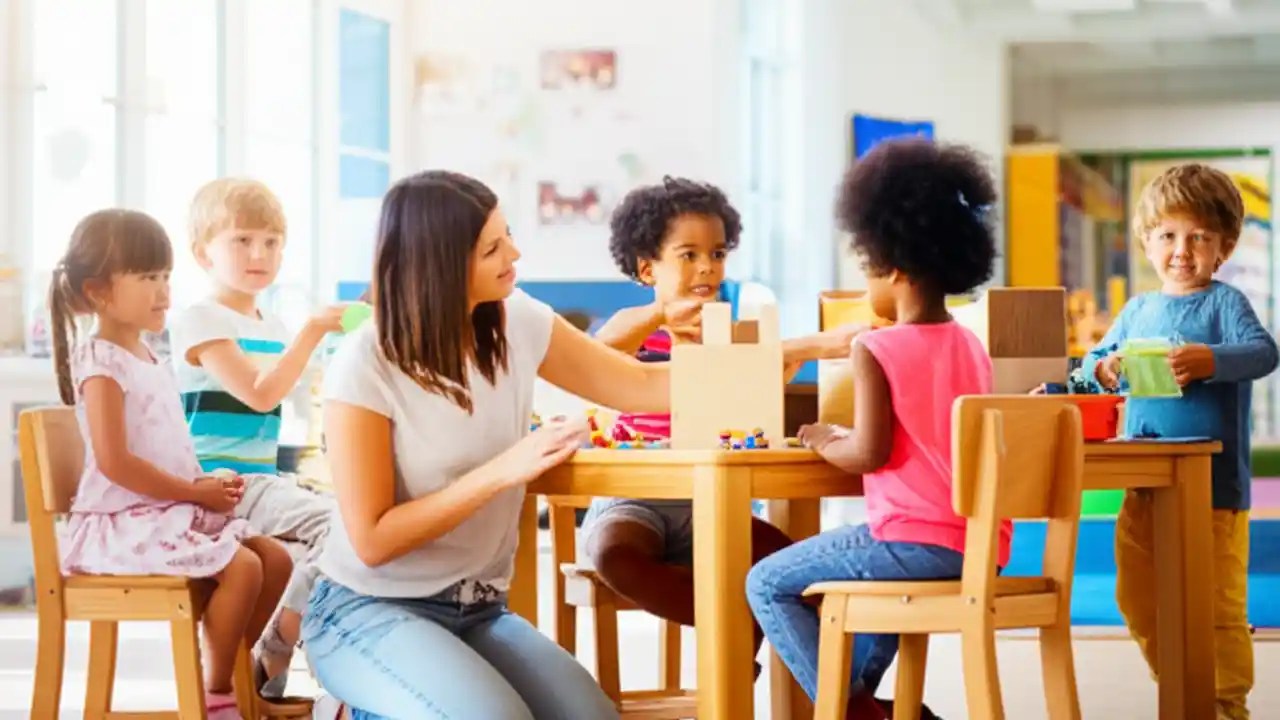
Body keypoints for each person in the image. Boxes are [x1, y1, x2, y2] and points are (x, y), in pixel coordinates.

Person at [302, 170, 686, 719]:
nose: (515, 253)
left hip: (477, 611)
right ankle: (353, 708)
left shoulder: (516, 319)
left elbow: (641, 386)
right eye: (493, 248)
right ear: (441, 263)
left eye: (507, 236)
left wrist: (795, 353)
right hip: (367, 609)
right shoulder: (364, 363)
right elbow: (373, 540)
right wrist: (506, 468)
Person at [745, 139, 1000, 720]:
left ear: (895, 268)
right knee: (871, 603)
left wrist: (820, 436)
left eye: (867, 275)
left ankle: (855, 712)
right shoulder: (971, 343)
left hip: (910, 542)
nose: (866, 292)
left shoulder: (875, 346)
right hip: (977, 547)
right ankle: (870, 705)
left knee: (765, 583)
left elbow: (867, 452)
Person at [581, 176, 862, 678]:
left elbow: (758, 386)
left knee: (787, 565)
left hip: (713, 502)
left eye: (716, 254)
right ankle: (732, 649)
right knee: (613, 553)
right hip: (635, 497)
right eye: (687, 255)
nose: (706, 267)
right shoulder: (636, 324)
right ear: (648, 268)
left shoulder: (733, 337)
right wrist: (661, 315)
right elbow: (598, 356)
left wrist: (784, 357)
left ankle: (772, 675)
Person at [50, 209, 293, 720]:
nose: (163, 290)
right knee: (243, 567)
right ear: (97, 291)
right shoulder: (100, 362)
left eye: (165, 277)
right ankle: (217, 693)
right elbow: (116, 464)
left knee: (275, 559)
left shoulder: (150, 355)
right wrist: (193, 492)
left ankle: (237, 687)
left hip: (161, 508)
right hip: (121, 523)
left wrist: (202, 482)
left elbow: (163, 447)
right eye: (146, 278)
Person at [1085, 163, 1277, 720]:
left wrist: (1211, 359)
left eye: (1199, 237)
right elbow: (1093, 362)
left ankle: (1223, 704)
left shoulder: (1225, 304)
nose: (1181, 250)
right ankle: (1185, 687)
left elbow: (1264, 353)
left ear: (1225, 246)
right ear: (1147, 240)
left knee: (1217, 605)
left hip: (1213, 492)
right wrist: (1104, 368)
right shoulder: (1138, 310)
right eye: (1168, 235)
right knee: (1137, 596)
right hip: (1144, 487)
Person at [169, 177, 345, 696]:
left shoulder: (271, 325)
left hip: (260, 479)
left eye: (271, 242)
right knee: (343, 525)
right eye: (241, 240)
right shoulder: (200, 319)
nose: (259, 254)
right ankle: (278, 645)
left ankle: (272, 662)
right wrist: (314, 331)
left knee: (349, 525)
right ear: (203, 253)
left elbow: (299, 393)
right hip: (218, 483)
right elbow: (260, 395)